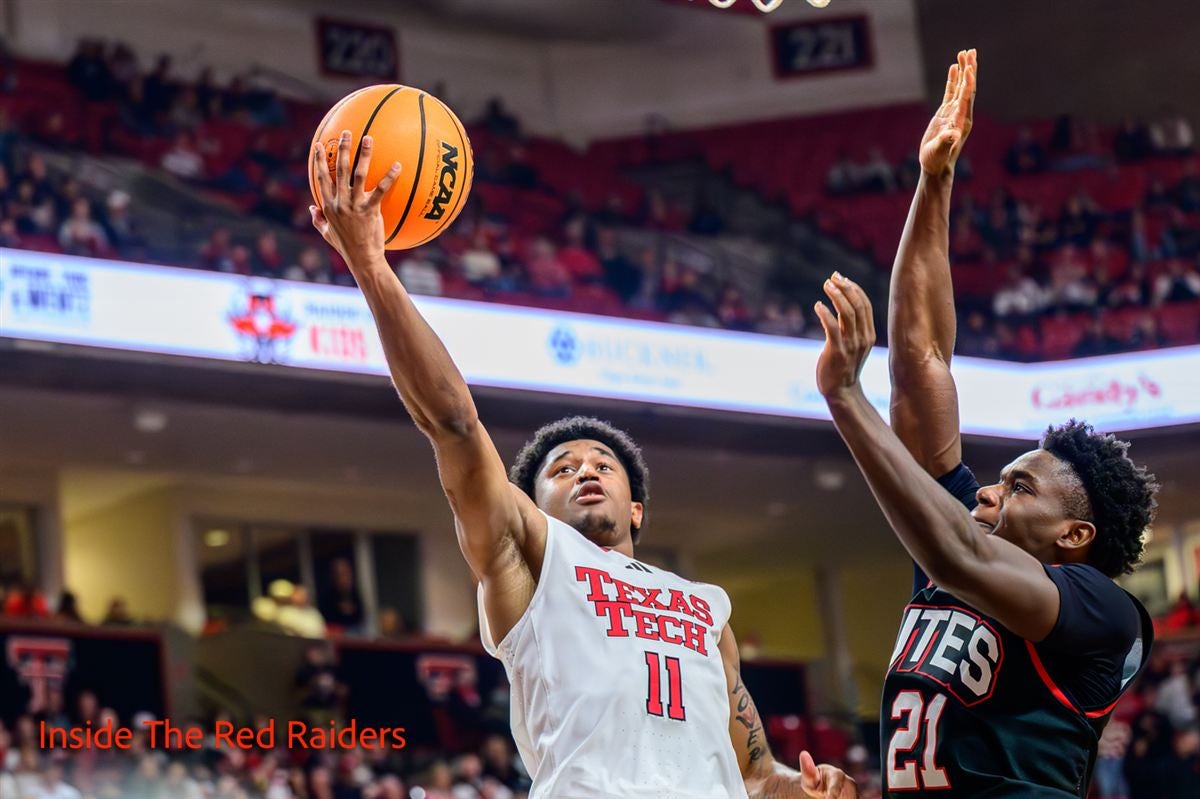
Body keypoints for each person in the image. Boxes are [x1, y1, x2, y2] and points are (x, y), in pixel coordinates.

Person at [308, 130, 854, 799]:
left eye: (603, 463)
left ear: (636, 508)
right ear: (532, 506)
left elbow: (751, 772)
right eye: (562, 469)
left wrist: (808, 789)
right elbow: (451, 423)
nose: (586, 469)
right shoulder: (531, 554)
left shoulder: (707, 608)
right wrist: (371, 264)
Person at [815, 50, 1156, 797]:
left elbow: (959, 550)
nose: (989, 493)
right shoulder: (959, 548)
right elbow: (923, 359)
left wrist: (846, 398)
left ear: (1074, 535)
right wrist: (934, 182)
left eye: (1020, 486)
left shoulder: (1100, 609)